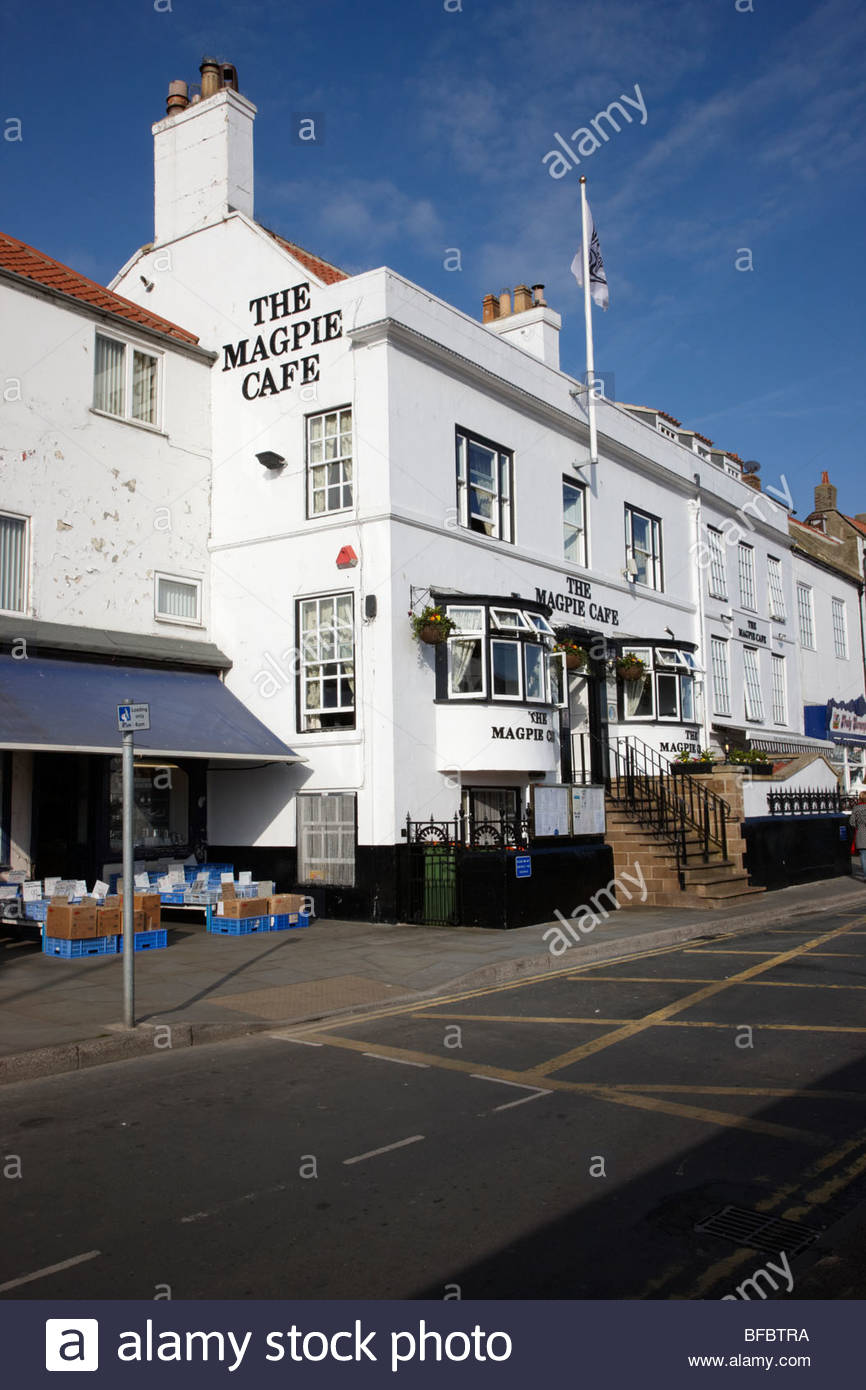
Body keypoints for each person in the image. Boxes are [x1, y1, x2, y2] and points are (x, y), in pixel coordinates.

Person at [850, 792, 866, 879]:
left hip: (861, 835)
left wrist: (859, 826)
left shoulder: (856, 808)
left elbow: (851, 822)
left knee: (863, 857)